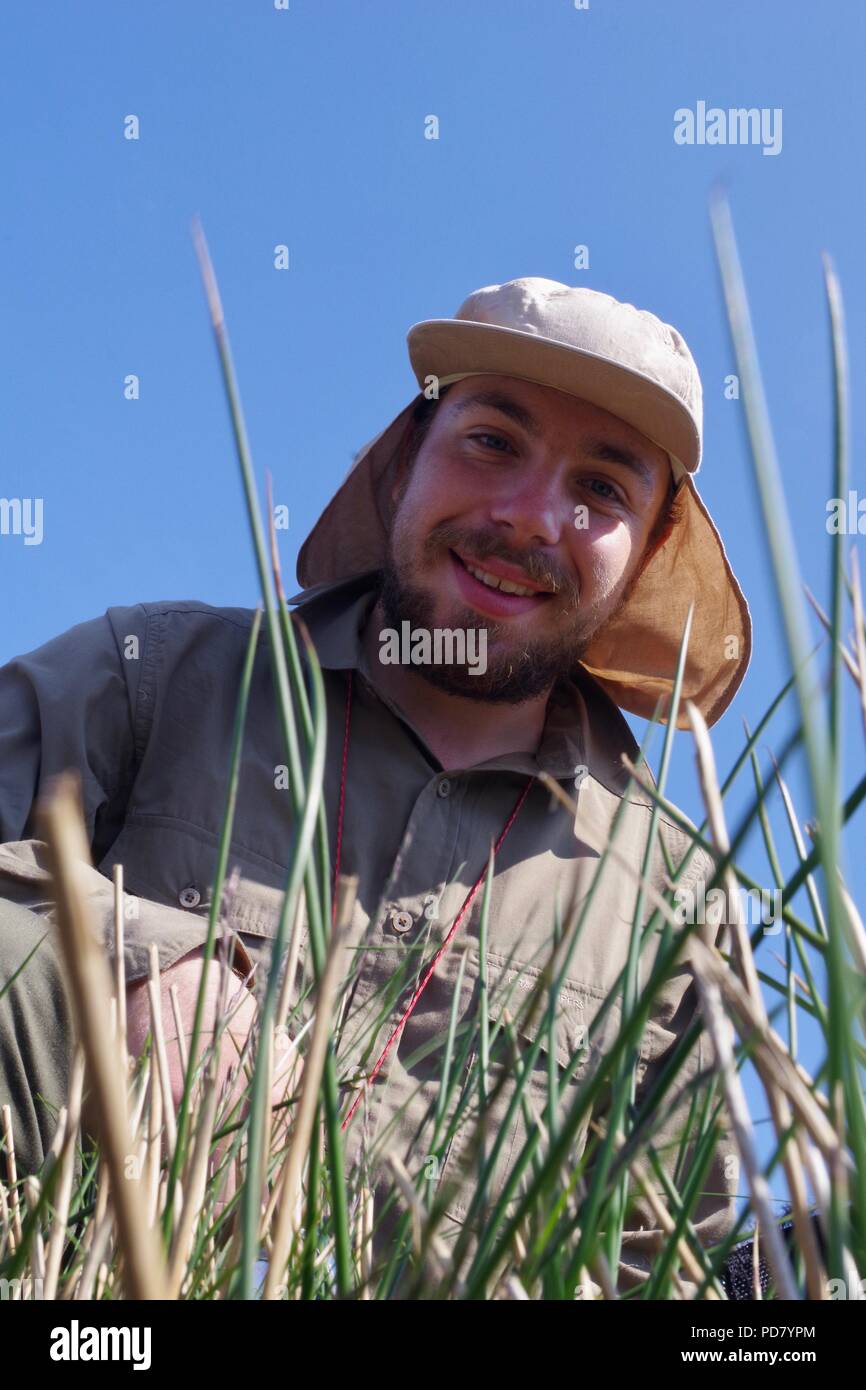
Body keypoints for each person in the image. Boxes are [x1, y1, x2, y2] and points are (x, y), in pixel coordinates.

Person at [0, 277, 751, 1295]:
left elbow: (662, 1261)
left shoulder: (678, 901)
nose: (529, 516)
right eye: (491, 439)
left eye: (602, 490)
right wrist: (124, 964)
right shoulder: (148, 675)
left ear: (647, 553)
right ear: (401, 466)